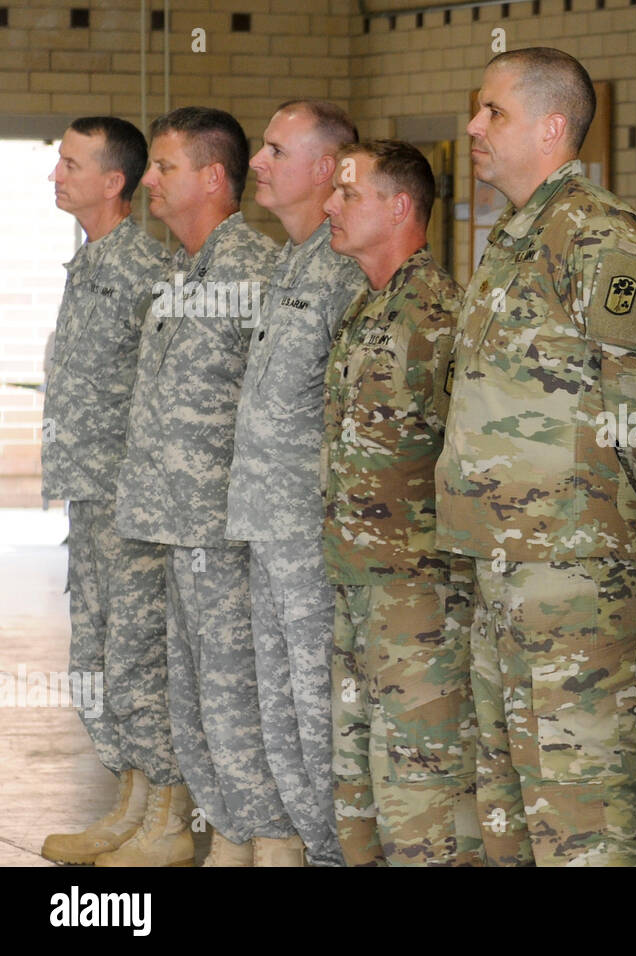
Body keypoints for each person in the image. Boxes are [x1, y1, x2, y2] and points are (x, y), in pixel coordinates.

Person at [434, 47, 636, 866]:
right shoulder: (513, 237)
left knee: (580, 803)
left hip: (574, 576)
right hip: (502, 561)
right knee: (509, 797)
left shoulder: (599, 235)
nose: (473, 126)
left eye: (493, 113)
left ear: (551, 127)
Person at [107, 106, 288, 867]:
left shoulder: (252, 271)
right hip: (169, 525)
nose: (149, 180)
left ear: (214, 178)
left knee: (234, 698)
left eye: (165, 166)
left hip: (221, 531)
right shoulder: (184, 271)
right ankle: (215, 836)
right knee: (189, 696)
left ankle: (263, 844)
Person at [321, 140, 481, 866]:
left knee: (420, 780)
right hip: (358, 582)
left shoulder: (440, 316)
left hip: (419, 596)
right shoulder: (368, 308)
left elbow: (471, 459)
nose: (330, 205)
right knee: (356, 775)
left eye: (348, 194)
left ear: (400, 207)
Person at [225, 100, 366, 867]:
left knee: (323, 724)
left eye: (276, 148)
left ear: (324, 169)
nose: (258, 161)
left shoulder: (346, 274)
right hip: (268, 531)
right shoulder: (290, 262)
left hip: (314, 545)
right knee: (282, 723)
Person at [38, 117, 180, 866]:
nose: (55, 175)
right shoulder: (90, 263)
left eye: (69, 163)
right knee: (94, 659)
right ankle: (127, 804)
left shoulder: (144, 271)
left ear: (113, 181)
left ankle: (165, 816)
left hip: (133, 508)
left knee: (136, 659)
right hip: (91, 503)